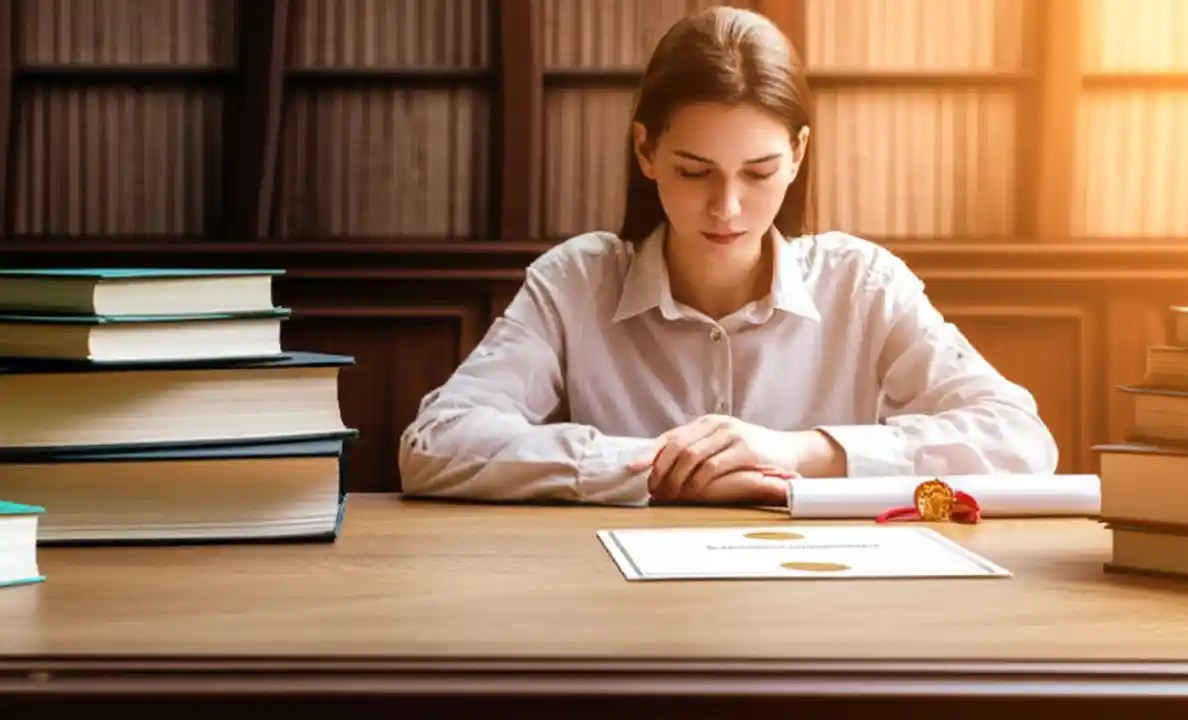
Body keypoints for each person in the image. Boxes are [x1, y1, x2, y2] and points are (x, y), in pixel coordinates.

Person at [398, 6, 1057, 507]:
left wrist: (803, 453)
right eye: (694, 172)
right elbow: (436, 442)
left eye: (759, 172)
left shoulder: (862, 284)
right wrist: (659, 466)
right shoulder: (577, 281)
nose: (727, 208)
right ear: (646, 151)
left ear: (797, 155)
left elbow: (1020, 442)